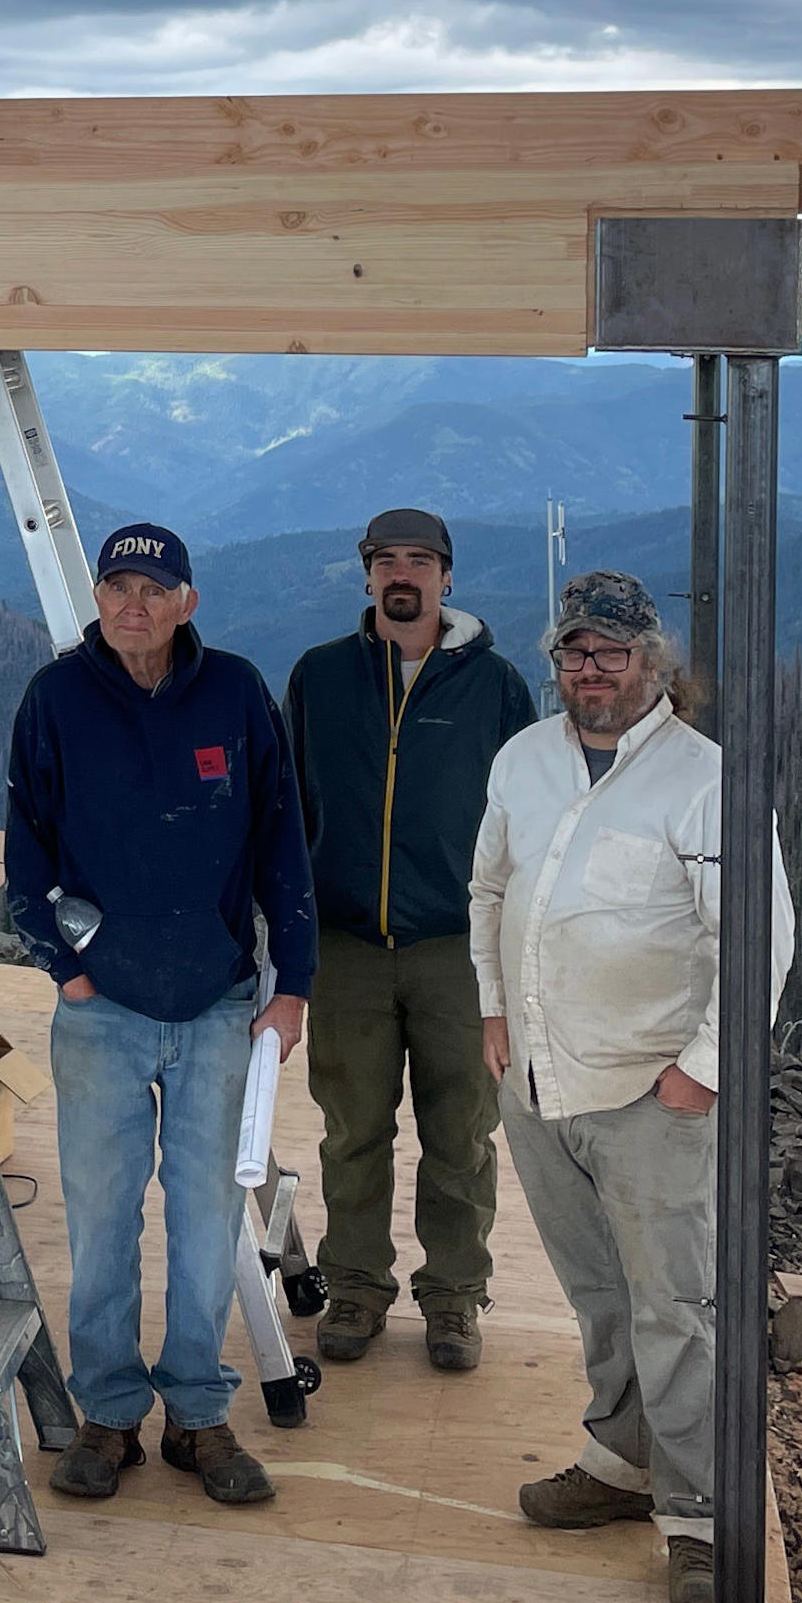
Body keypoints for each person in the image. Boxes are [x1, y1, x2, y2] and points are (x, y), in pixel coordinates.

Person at [470, 570, 795, 1603]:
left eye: (612, 653)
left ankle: (699, 1516)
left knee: (676, 1306)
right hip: (539, 1080)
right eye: (574, 652)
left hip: (651, 1092)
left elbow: (757, 933)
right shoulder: (522, 761)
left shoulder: (703, 778)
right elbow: (487, 891)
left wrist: (703, 1067)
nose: (591, 670)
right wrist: (491, 1012)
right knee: (598, 1293)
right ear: (553, 658)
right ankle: (619, 1457)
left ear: (653, 664)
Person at [2, 521, 316, 1511]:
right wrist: (68, 971)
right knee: (99, 1221)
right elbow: (25, 852)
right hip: (101, 1013)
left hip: (216, 1002)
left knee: (202, 1220)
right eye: (115, 585)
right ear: (97, 596)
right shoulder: (56, 698)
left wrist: (291, 982)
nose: (131, 604)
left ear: (187, 600)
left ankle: (195, 1415)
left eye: (153, 587)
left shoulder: (232, 692)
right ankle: (105, 1415)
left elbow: (280, 840)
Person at [281, 505, 537, 1373]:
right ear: (364, 575)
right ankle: (354, 1287)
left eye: (418, 560)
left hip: (458, 949)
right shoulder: (320, 677)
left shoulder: (496, 685)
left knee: (460, 1134)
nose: (402, 573)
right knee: (351, 1129)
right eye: (384, 559)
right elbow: (286, 811)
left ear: (447, 577)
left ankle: (454, 1299)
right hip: (346, 943)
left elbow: (527, 822)